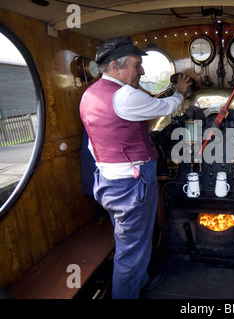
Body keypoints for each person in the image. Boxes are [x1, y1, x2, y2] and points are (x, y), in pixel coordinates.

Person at [79, 35, 192, 299]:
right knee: (131, 252)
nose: (141, 70)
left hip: (107, 180)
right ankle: (128, 290)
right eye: (136, 65)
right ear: (116, 68)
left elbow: (94, 145)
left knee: (130, 242)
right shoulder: (125, 96)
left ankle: (139, 280)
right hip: (133, 184)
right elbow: (164, 106)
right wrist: (180, 92)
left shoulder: (89, 95)